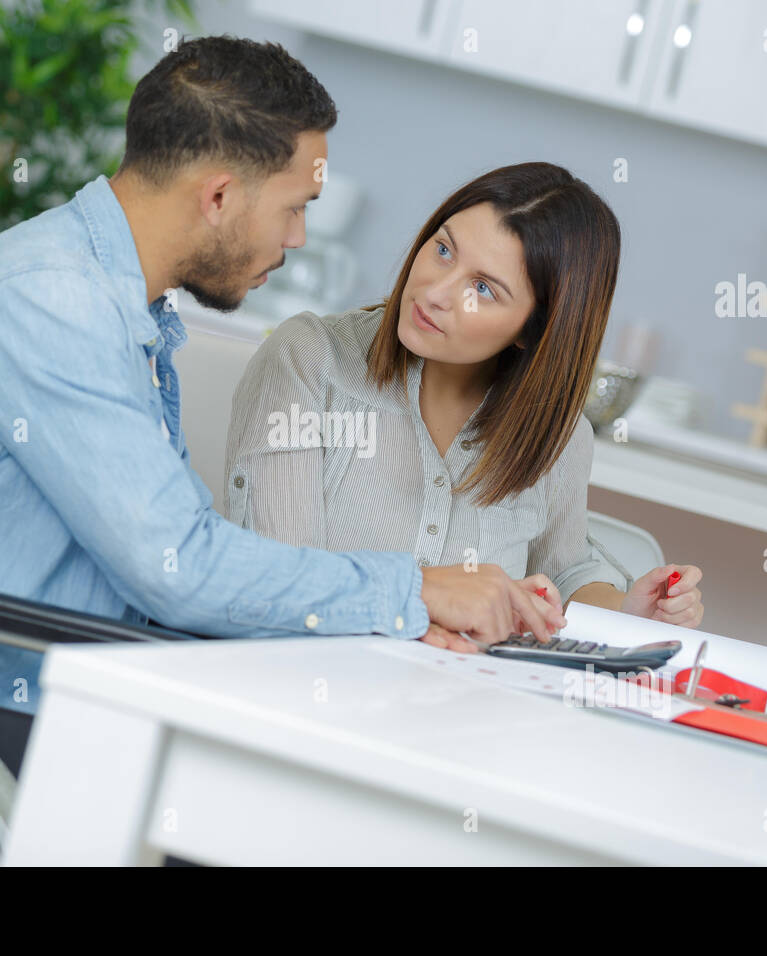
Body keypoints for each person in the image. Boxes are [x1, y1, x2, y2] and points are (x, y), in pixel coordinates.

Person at [0, 36, 563, 714]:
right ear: (220, 197)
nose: (297, 239)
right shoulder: (54, 302)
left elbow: (178, 550)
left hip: (81, 680)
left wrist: (401, 614)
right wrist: (412, 590)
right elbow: (179, 569)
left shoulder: (110, 298)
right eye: (295, 208)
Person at [224, 162, 704, 655]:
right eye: (444, 249)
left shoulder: (558, 438)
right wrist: (425, 591)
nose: (434, 293)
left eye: (483, 289)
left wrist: (627, 619)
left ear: (532, 331)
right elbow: (279, 574)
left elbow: (564, 568)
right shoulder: (308, 361)